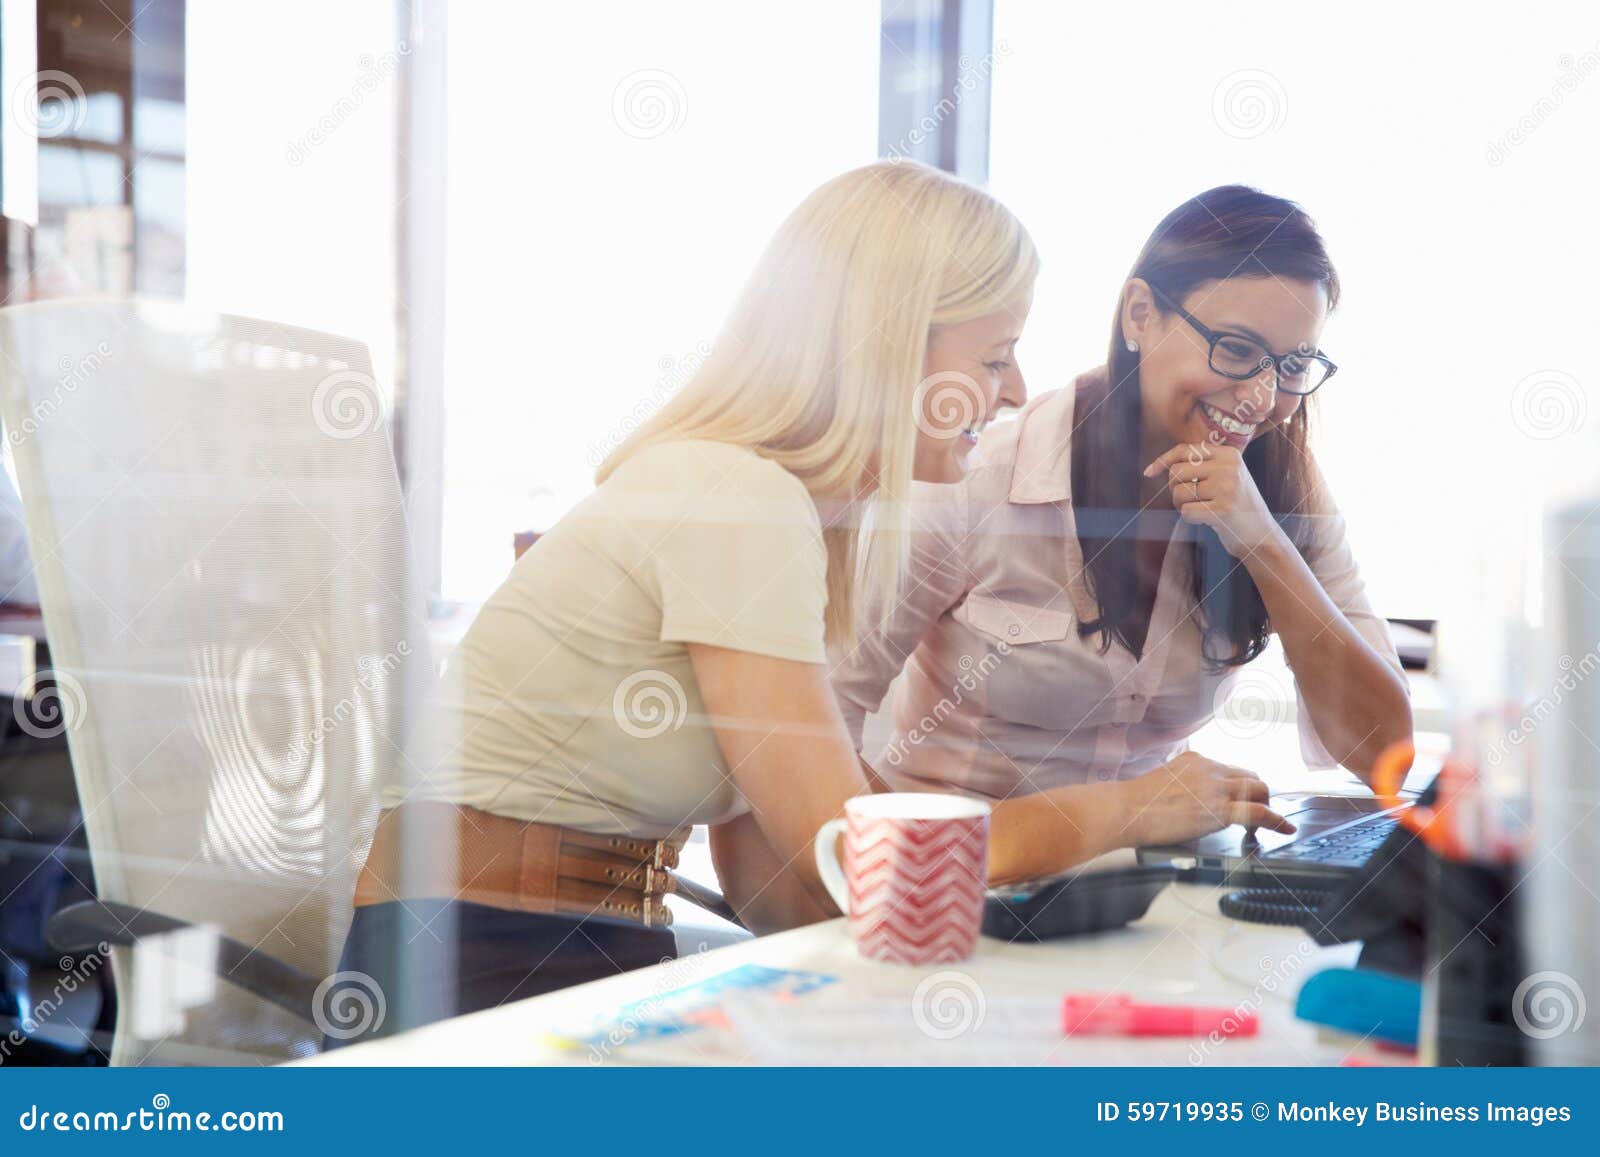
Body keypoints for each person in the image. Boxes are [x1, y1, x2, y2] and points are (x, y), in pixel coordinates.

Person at [334, 164, 1292, 1044]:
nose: (1015, 391)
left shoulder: (786, 512)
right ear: (890, 351)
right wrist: (1131, 808)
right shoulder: (734, 497)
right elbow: (862, 851)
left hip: (581, 950)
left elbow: (789, 873)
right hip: (477, 969)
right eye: (996, 355)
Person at [832, 185, 1412, 808]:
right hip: (970, 858)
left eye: (1294, 365)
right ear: (1140, 314)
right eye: (1238, 349)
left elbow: (1384, 755)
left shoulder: (1285, 488)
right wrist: (915, 847)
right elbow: (818, 720)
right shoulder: (977, 481)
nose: (1261, 398)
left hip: (1147, 860)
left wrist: (1263, 543)